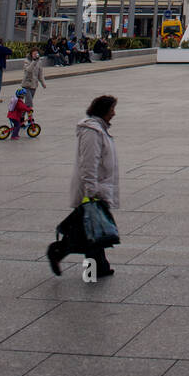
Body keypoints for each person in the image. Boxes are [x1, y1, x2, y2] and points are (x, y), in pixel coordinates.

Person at [47, 95, 119, 278]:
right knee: (90, 231)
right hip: (92, 189)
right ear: (103, 111)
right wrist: (91, 189)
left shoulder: (100, 129)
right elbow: (89, 162)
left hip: (97, 187)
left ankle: (98, 267)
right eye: (112, 110)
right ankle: (60, 252)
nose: (114, 113)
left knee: (92, 230)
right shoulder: (92, 132)